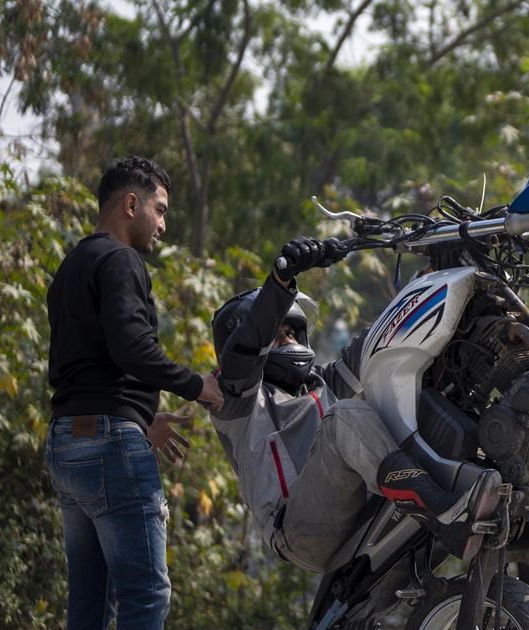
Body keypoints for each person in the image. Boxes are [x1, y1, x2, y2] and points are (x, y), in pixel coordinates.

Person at [44, 156, 224, 630]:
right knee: (145, 595)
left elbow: (88, 365)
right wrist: (197, 386)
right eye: (161, 209)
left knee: (89, 604)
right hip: (110, 449)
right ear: (130, 204)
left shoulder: (72, 266)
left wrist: (139, 415)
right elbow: (130, 348)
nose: (163, 225)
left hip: (69, 442)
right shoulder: (122, 262)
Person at [208, 237, 499, 577]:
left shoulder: (323, 384)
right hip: (300, 532)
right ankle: (443, 513)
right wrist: (281, 279)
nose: (286, 338)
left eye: (290, 331)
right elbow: (245, 352)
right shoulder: (237, 404)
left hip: (354, 506)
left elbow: (380, 338)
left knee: (412, 385)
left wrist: (437, 271)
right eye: (276, 334)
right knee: (346, 416)